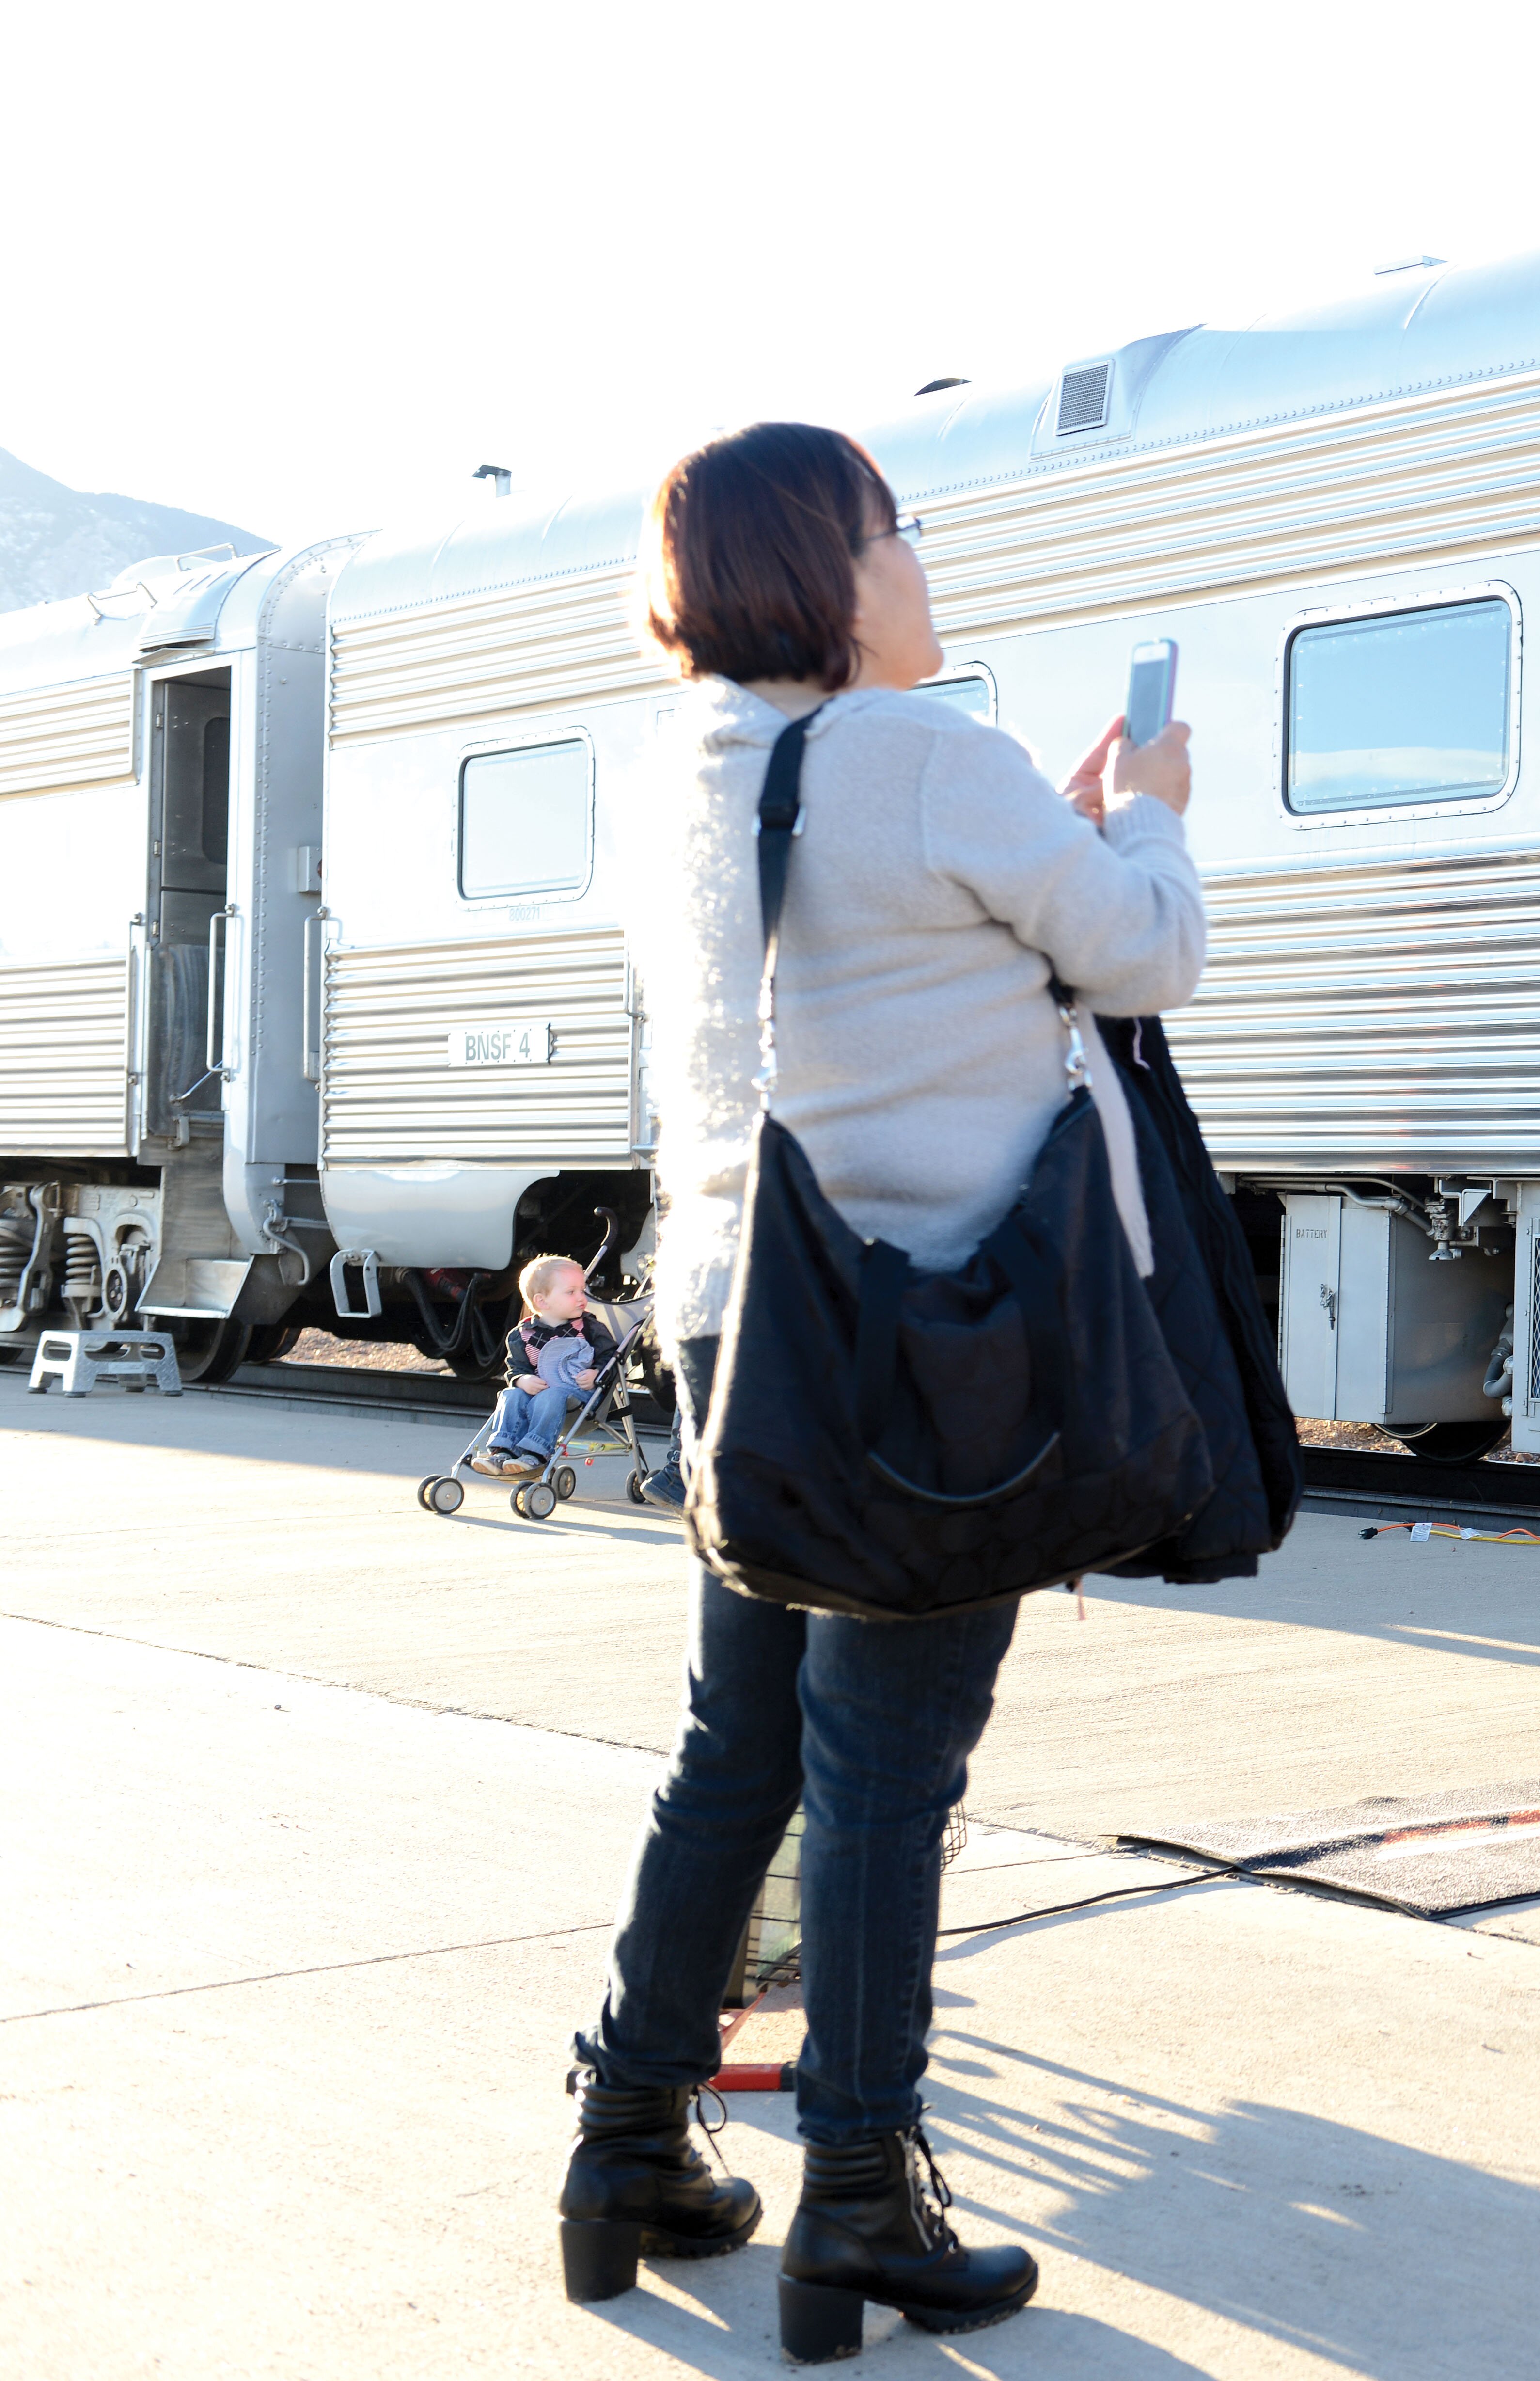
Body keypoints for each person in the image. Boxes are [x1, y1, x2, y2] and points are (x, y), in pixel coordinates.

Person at [555, 420, 1206, 2356]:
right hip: (940, 1342)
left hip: (740, 1320)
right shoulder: (928, 754)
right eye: (896, 530)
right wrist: (1148, 810)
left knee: (735, 1751)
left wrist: (1049, 838)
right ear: (825, 570)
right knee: (882, 1777)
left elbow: (871, 956)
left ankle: (627, 2141)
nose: (923, 561)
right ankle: (859, 2194)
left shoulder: (675, 767)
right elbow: (1147, 954)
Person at [470, 1254, 606, 1479]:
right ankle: (502, 1452)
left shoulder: (590, 1328)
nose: (582, 1298)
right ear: (542, 1302)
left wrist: (597, 1373)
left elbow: (610, 1356)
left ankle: (536, 1454)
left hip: (578, 1396)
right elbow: (516, 1368)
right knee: (511, 1394)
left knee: (552, 1395)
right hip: (536, 1398)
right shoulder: (522, 1335)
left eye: (583, 1290)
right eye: (572, 1292)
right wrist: (522, 1380)